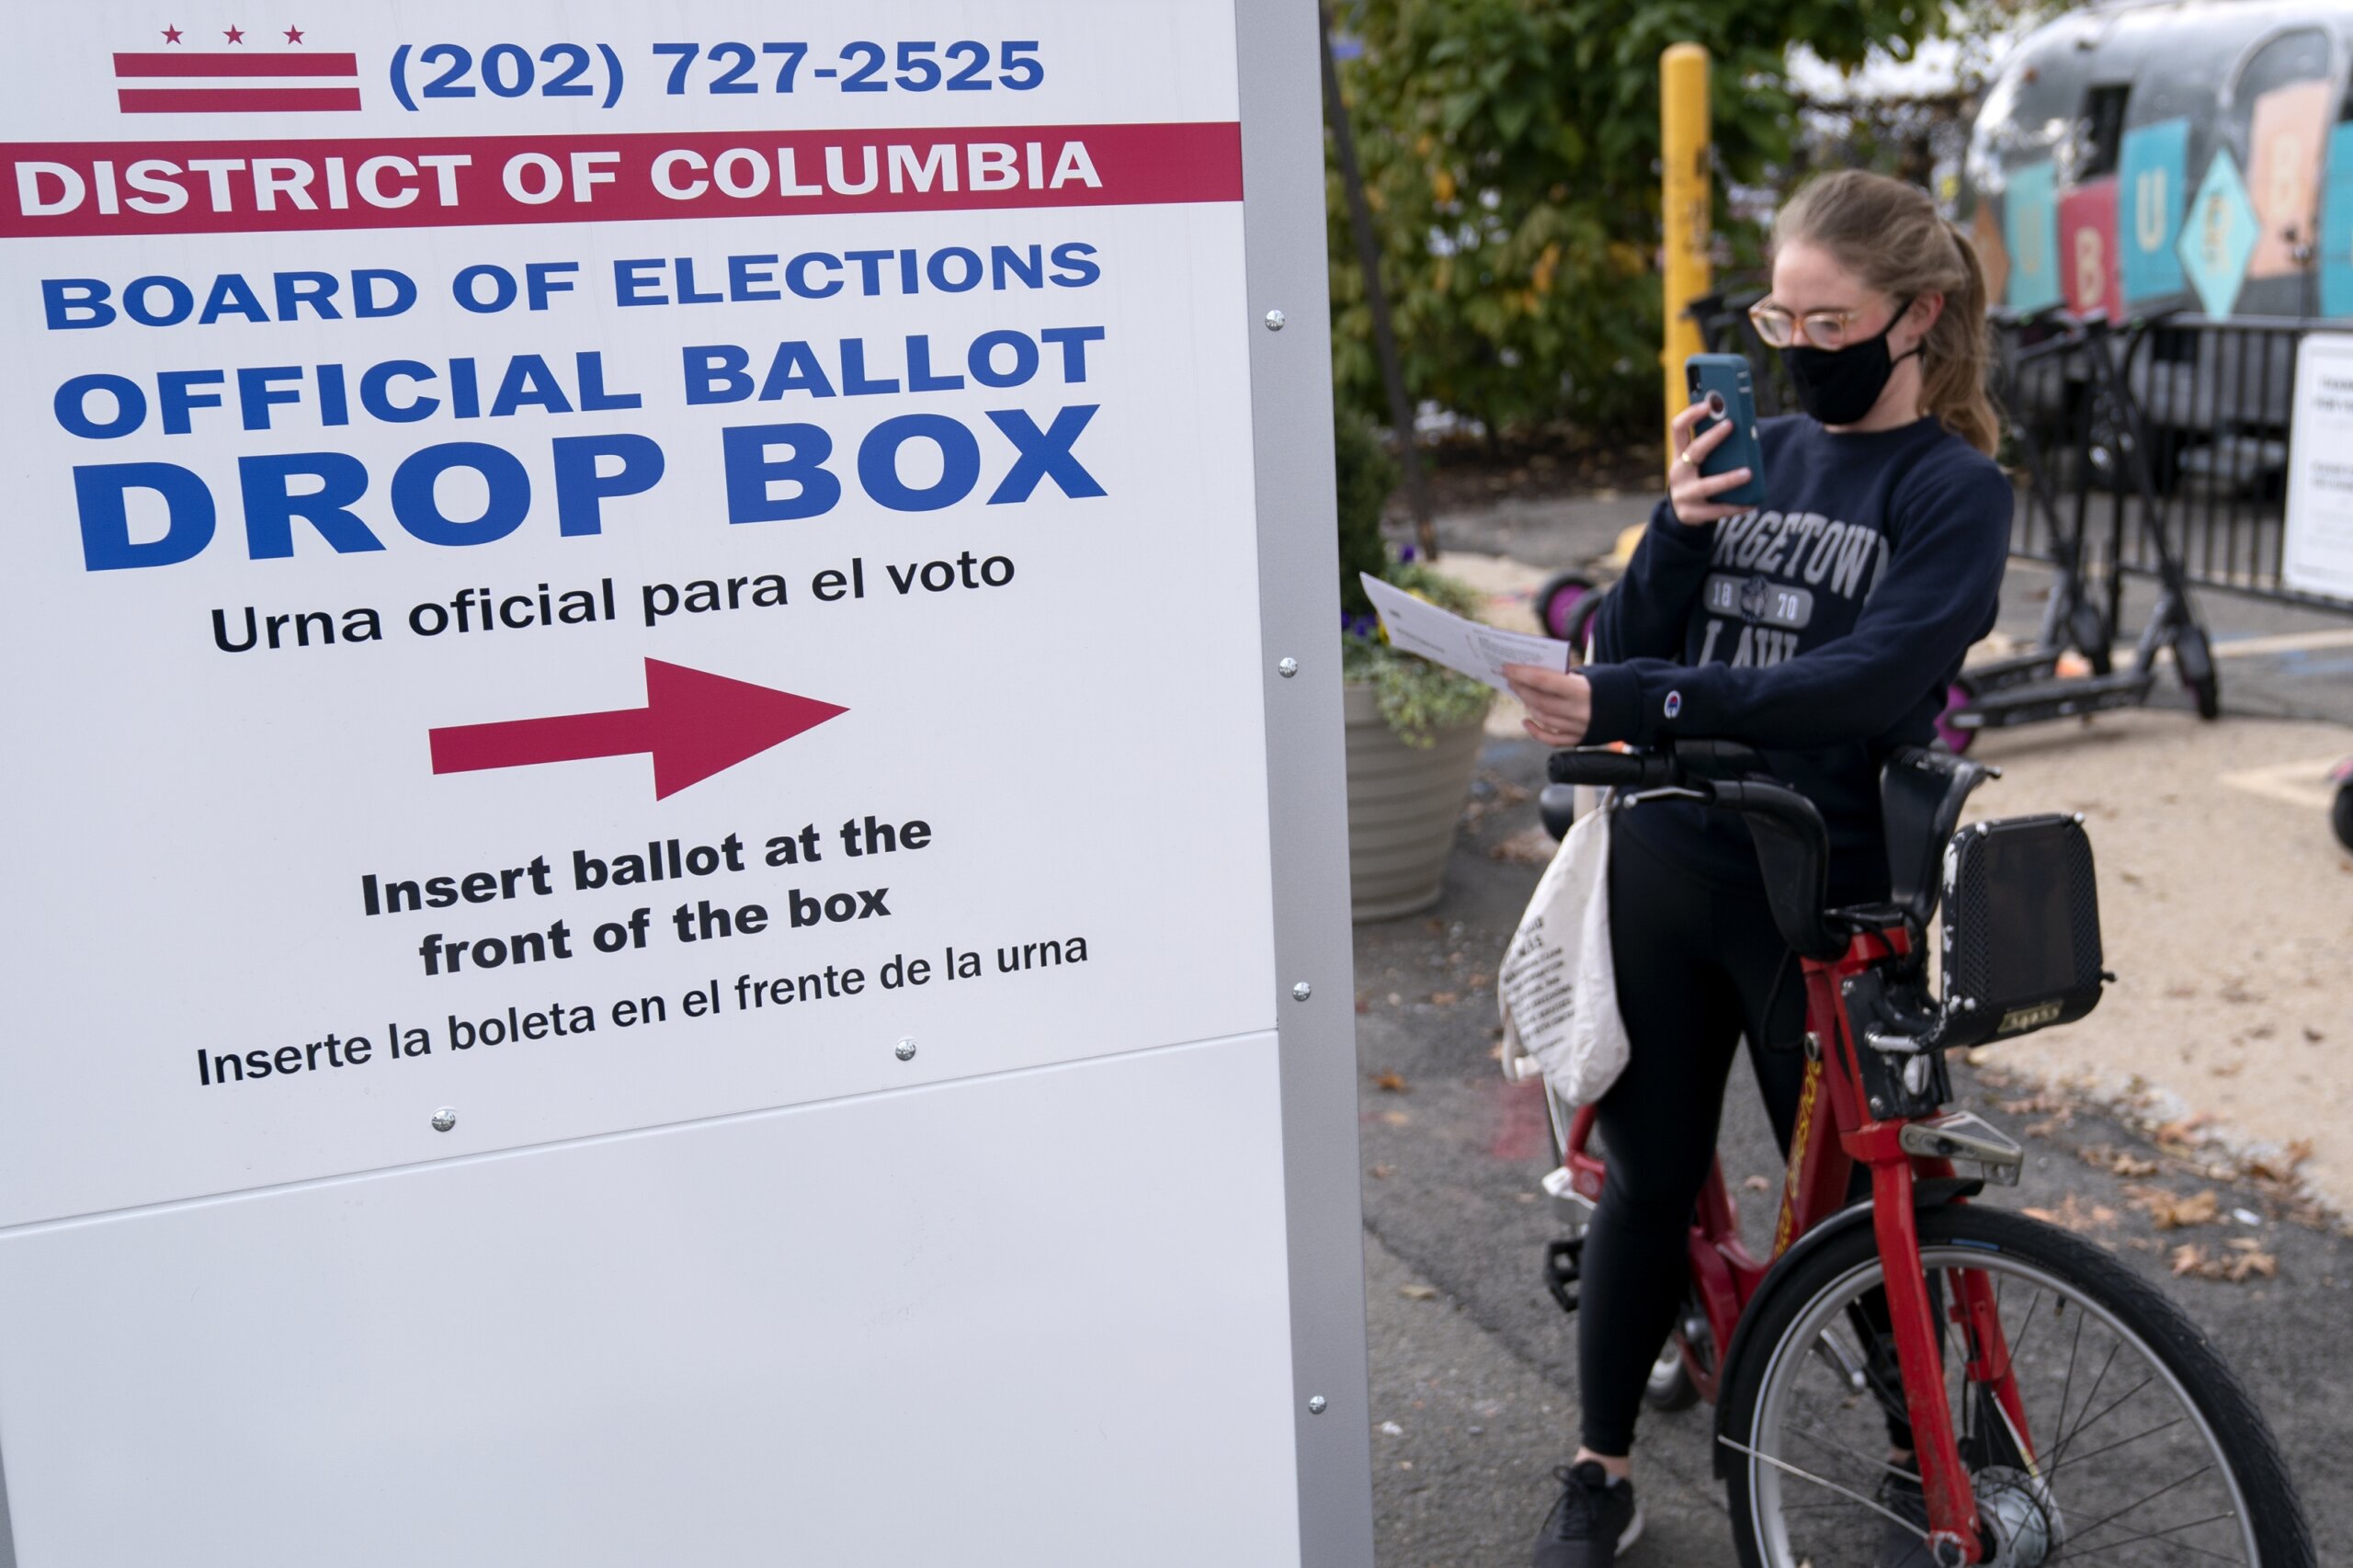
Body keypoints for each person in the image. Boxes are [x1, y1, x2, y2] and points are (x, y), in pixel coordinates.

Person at [1500, 169, 2014, 1568]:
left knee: (1864, 1198)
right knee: (1649, 1174)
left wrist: (1649, 702)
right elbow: (1627, 637)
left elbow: (1868, 679)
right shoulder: (1761, 449)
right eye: (1778, 316)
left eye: (1829, 318)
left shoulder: (1954, 488)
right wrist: (1675, 524)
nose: (1800, 347)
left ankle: (1930, 1468)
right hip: (1671, 858)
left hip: (1824, 887)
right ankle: (1599, 1469)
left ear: (1918, 316)